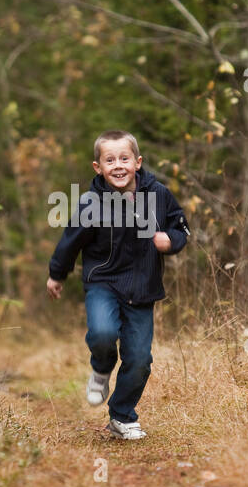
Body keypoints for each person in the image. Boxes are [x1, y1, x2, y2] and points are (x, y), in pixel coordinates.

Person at [46, 130, 190, 439]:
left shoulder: (159, 194)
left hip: (142, 288)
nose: (118, 165)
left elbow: (181, 227)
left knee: (139, 359)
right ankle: (102, 367)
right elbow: (70, 241)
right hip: (103, 282)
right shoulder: (91, 203)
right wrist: (57, 274)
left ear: (137, 162)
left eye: (124, 158)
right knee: (102, 334)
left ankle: (121, 415)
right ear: (97, 167)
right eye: (109, 160)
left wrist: (171, 240)